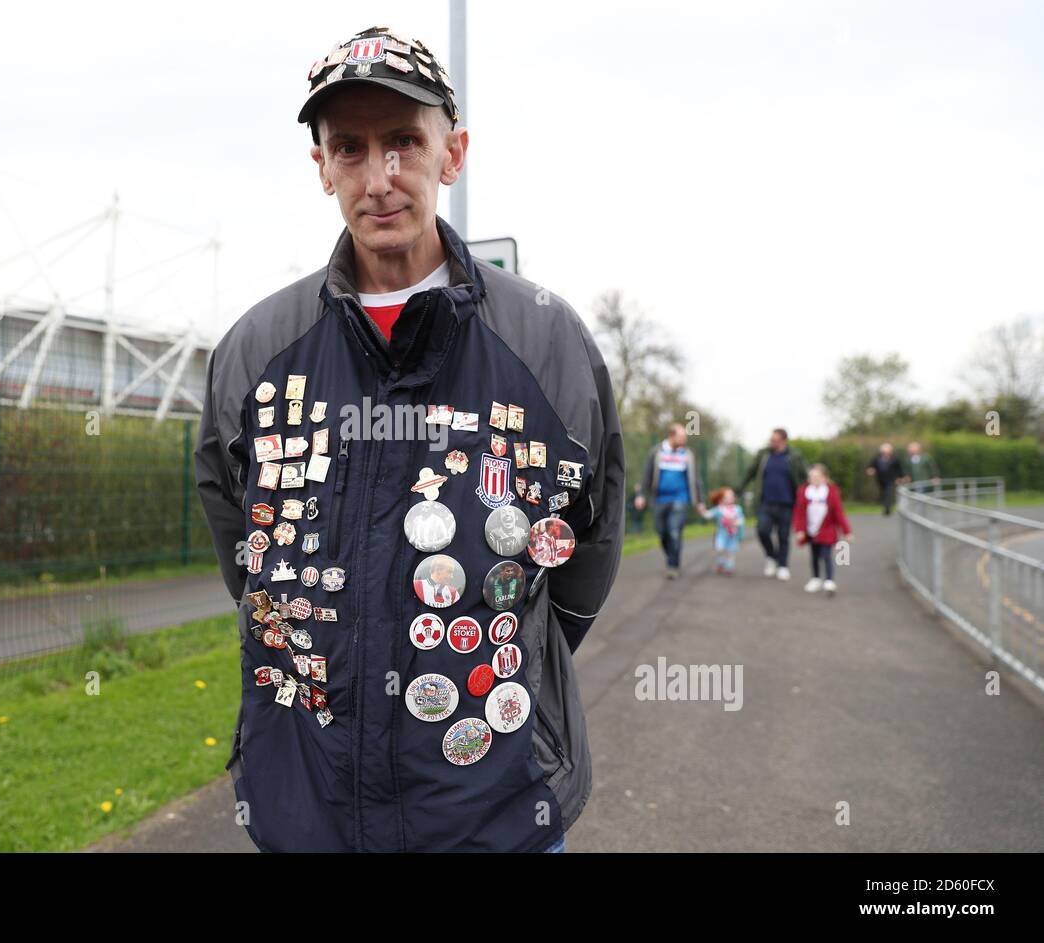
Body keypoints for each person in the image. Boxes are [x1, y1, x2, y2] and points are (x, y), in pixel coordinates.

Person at [193, 26, 625, 854]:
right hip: (308, 805)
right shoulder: (256, 346)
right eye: (349, 148)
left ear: (452, 153)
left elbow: (589, 535)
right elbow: (240, 539)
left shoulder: (545, 339)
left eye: (403, 142)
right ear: (320, 167)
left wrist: (506, 647)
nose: (379, 177)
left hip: (493, 811)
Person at [634, 422, 706, 579]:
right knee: (662, 532)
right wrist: (641, 495)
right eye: (681, 437)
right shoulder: (656, 452)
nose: (684, 440)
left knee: (674, 531)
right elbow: (646, 475)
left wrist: (699, 501)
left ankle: (673, 565)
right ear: (671, 436)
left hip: (680, 498)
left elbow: (696, 480)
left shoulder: (687, 454)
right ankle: (671, 555)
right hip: (659, 498)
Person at [739, 427, 807, 582]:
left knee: (783, 536)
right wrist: (738, 490)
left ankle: (783, 566)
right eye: (771, 440)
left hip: (787, 504)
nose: (772, 443)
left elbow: (804, 476)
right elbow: (750, 472)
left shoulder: (794, 456)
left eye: (775, 440)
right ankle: (771, 556)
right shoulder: (764, 454)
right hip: (766, 503)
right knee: (762, 531)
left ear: (784, 441)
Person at [792, 463, 853, 596]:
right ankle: (815, 579)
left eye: (817, 476)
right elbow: (799, 513)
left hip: (827, 530)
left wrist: (847, 531)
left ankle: (829, 581)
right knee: (814, 555)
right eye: (811, 477)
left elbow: (838, 513)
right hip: (810, 530)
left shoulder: (831, 492)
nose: (814, 479)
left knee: (826, 555)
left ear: (824, 478)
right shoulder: (803, 491)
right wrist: (799, 530)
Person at [701, 487, 745, 575]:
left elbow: (741, 520)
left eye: (732, 496)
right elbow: (708, 515)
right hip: (721, 534)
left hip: (732, 535)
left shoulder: (737, 509)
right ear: (721, 499)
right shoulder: (719, 509)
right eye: (727, 497)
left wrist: (735, 522)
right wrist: (702, 510)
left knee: (731, 551)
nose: (730, 498)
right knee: (720, 549)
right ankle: (720, 562)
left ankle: (729, 567)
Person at [864, 442, 905, 516]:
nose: (885, 453)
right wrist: (870, 470)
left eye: (887, 451)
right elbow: (870, 466)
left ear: (890, 451)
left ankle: (887, 509)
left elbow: (899, 469)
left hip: (891, 479)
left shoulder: (895, 459)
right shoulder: (877, 458)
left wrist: (900, 478)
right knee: (884, 493)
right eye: (884, 452)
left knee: (888, 493)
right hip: (881, 479)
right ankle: (886, 507)